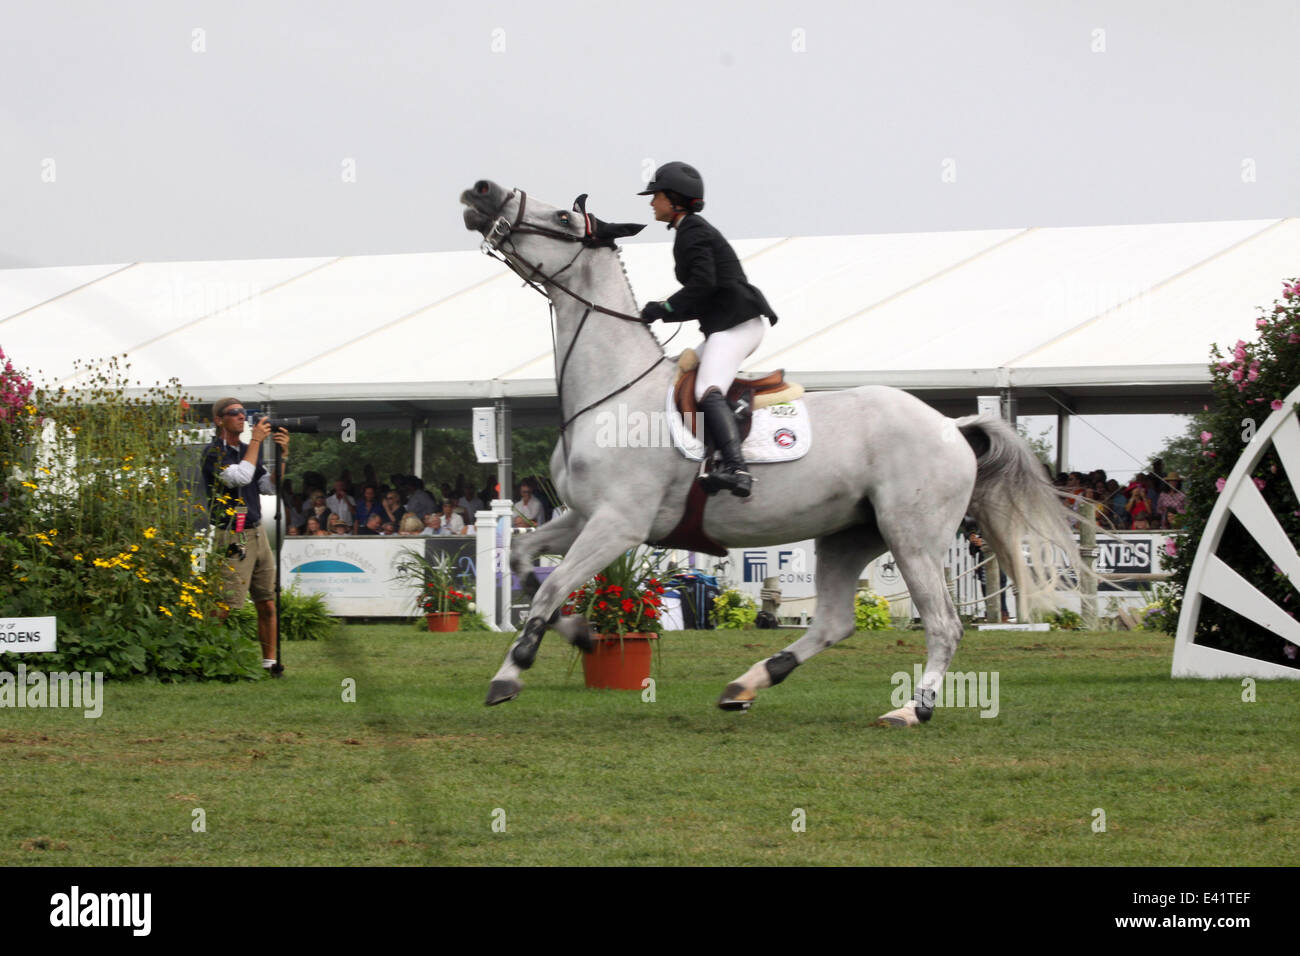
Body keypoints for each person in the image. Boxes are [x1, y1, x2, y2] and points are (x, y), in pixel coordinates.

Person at [637, 161, 778, 497]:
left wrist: (664, 307)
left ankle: (737, 468)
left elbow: (702, 283)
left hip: (737, 325)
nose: (651, 203)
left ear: (674, 199)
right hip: (726, 325)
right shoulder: (690, 230)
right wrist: (663, 311)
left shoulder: (693, 231)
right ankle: (712, 454)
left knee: (706, 390)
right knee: (678, 372)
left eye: (655, 196)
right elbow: (704, 291)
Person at [202, 397, 288, 677]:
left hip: (256, 529)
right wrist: (256, 442)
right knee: (224, 604)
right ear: (219, 420)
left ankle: (270, 664)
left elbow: (266, 486)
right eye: (234, 413)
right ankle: (207, 658)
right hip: (231, 534)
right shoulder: (213, 452)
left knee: (267, 600)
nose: (241, 416)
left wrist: (282, 458)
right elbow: (239, 477)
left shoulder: (249, 449)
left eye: (243, 412)